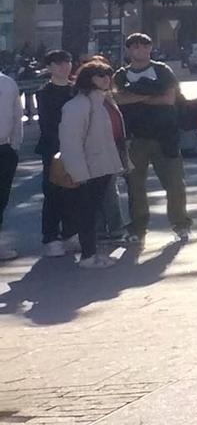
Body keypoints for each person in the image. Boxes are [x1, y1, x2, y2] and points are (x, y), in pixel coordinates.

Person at [112, 32, 190, 247]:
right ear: (128, 50)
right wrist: (149, 96)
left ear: (150, 48)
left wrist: (136, 98)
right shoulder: (120, 75)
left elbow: (168, 99)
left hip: (165, 136)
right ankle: (138, 227)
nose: (140, 51)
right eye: (135, 47)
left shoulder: (162, 70)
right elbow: (117, 98)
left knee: (174, 183)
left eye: (144, 46)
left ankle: (180, 224)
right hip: (134, 139)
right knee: (135, 185)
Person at [56, 59, 125, 269]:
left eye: (107, 75)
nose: (105, 79)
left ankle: (92, 253)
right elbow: (71, 142)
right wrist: (79, 173)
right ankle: (88, 256)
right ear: (88, 78)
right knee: (86, 213)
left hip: (103, 167)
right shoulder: (78, 105)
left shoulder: (103, 101)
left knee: (92, 211)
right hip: (88, 170)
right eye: (100, 75)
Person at [34, 51, 76, 257]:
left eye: (67, 62)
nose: (64, 66)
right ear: (49, 67)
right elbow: (48, 125)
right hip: (53, 149)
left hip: (78, 148)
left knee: (74, 191)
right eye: (58, 63)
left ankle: (70, 232)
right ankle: (50, 237)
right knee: (53, 193)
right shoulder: (44, 92)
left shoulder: (77, 89)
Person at [0, 63, 18, 261]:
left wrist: (15, 145)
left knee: (1, 199)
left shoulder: (7, 83)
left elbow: (16, 116)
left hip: (4, 148)